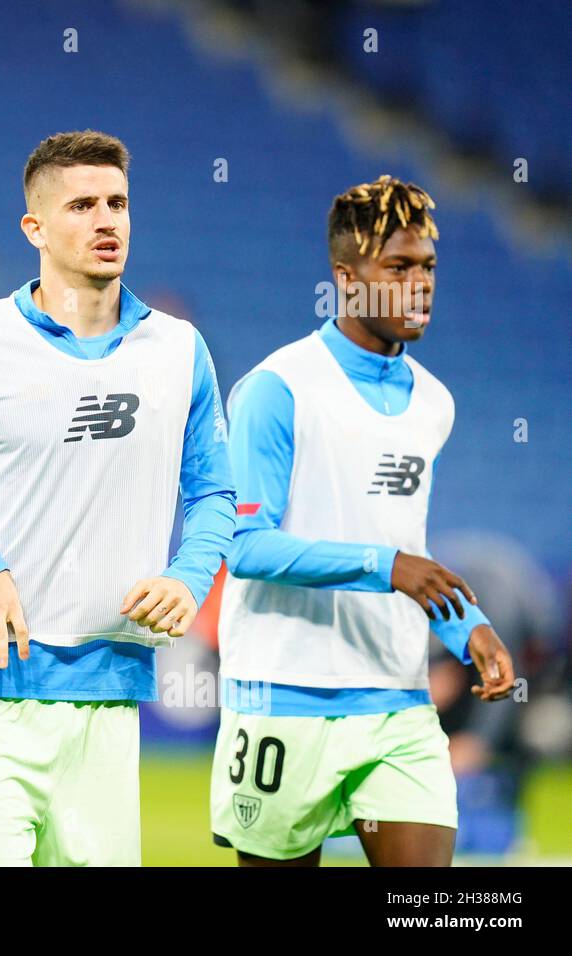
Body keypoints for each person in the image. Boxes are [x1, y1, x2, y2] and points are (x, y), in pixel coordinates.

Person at [0, 130, 235, 865]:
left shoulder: (180, 353)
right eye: (83, 205)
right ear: (34, 227)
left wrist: (188, 579)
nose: (107, 221)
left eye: (119, 203)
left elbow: (216, 493)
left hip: (107, 686)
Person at [212, 175, 515, 867]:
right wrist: (387, 569)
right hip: (282, 697)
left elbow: (407, 545)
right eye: (399, 267)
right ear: (348, 278)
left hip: (397, 702)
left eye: (429, 267)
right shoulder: (277, 389)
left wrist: (467, 627)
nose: (421, 284)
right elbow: (247, 544)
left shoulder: (434, 403)